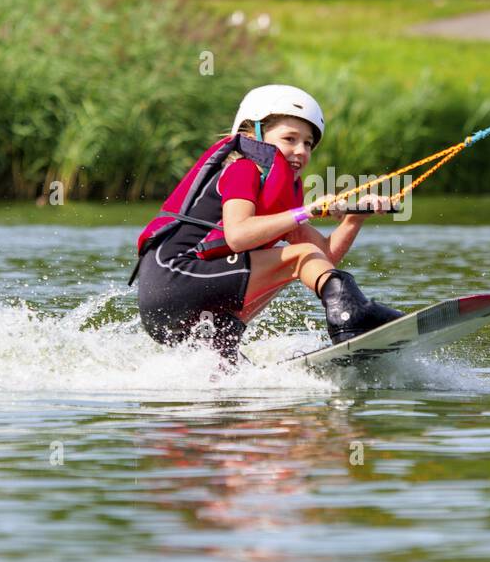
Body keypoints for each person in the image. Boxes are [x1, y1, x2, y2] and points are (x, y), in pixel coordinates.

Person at [133, 85, 403, 362]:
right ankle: (349, 315)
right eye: (290, 139)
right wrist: (305, 211)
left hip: (181, 311)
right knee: (300, 257)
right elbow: (238, 235)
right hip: (174, 277)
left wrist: (353, 220)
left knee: (305, 261)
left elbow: (324, 257)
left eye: (308, 143)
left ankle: (223, 365)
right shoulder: (242, 170)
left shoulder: (279, 197)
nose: (301, 150)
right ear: (254, 135)